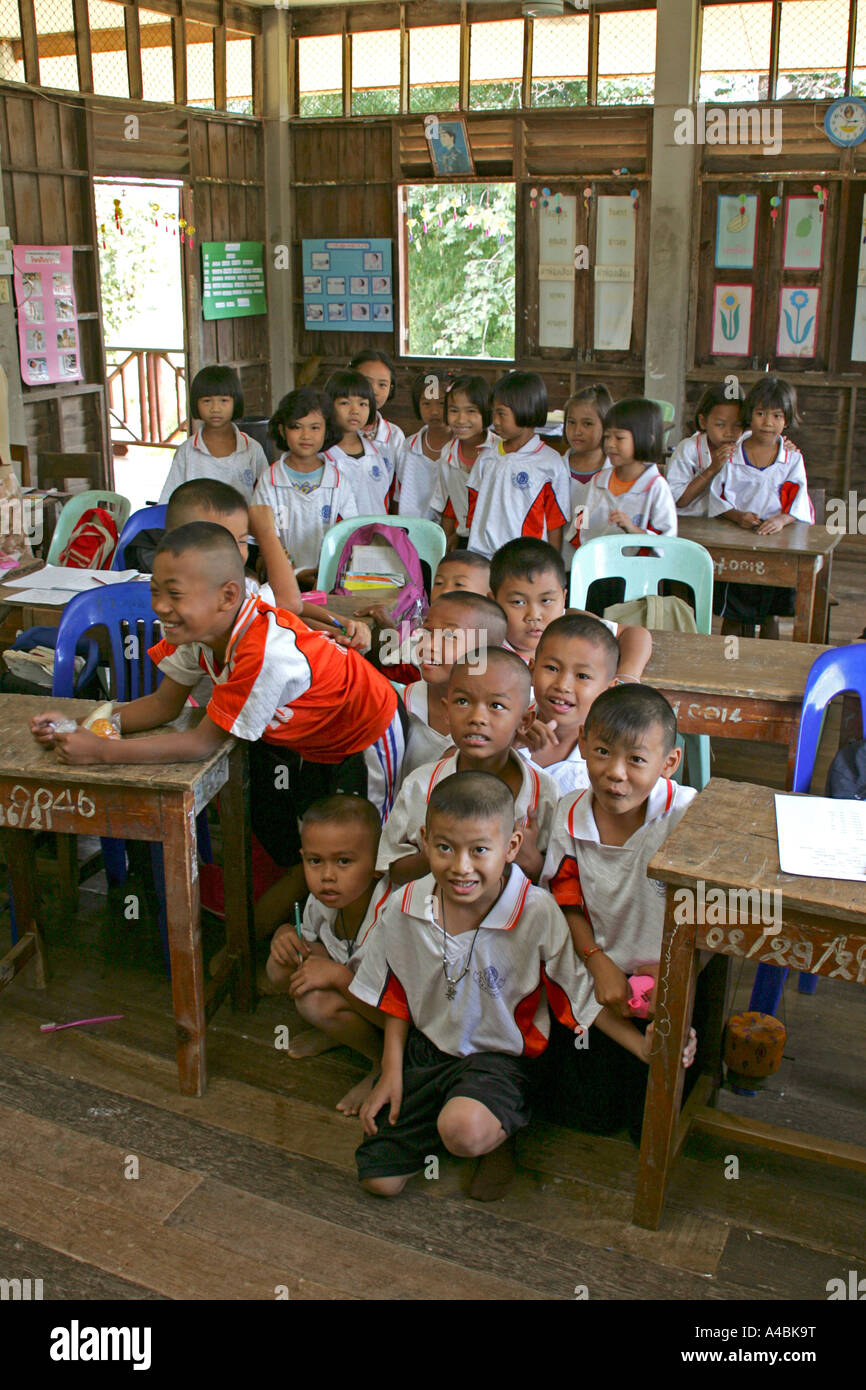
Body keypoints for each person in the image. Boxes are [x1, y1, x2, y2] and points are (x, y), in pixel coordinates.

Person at [30, 523, 406, 862]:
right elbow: (163, 705)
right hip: (316, 740)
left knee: (361, 850)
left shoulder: (263, 652)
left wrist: (100, 751)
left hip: (369, 732)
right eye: (155, 591)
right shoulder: (198, 630)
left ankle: (352, 936)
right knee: (317, 843)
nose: (161, 607)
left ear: (228, 596)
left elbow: (200, 743)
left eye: (174, 595)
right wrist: (73, 725)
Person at [351, 771, 589, 1200]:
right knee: (379, 1182)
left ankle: (497, 1131)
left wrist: (644, 1042)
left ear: (512, 846)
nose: (461, 867)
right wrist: (390, 1070)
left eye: (480, 850)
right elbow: (396, 992)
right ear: (424, 841)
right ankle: (449, 1116)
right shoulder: (404, 906)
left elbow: (577, 996)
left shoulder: (536, 911)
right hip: (428, 1050)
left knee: (462, 1131)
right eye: (444, 848)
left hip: (499, 1059)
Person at [540, 685, 698, 1142]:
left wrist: (670, 972)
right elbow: (564, 896)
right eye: (603, 752)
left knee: (647, 1123)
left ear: (669, 762)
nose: (614, 773)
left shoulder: (684, 815)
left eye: (636, 760)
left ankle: (674, 1040)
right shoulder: (570, 814)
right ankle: (637, 1046)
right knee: (587, 1115)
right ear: (584, 744)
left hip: (666, 975)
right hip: (597, 978)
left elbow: (710, 909)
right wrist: (597, 959)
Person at [377, 648, 558, 886]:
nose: (477, 717)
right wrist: (440, 850)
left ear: (524, 721)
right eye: (463, 702)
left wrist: (531, 859)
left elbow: (558, 882)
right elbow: (392, 871)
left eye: (496, 705)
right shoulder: (420, 785)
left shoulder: (542, 792)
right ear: (446, 712)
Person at [265, 795, 391, 1115]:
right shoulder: (322, 900)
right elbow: (302, 946)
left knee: (314, 999)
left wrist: (338, 977)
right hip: (356, 991)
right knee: (281, 965)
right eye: (315, 861)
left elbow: (397, 1017)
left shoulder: (392, 919)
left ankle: (383, 1066)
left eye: (344, 861)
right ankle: (338, 1034)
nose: (327, 876)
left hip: (396, 1023)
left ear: (377, 864)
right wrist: (283, 936)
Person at [166, 477, 370, 651]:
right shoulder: (204, 597)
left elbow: (285, 610)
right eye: (220, 540)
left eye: (242, 541)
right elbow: (288, 603)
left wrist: (341, 626)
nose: (234, 552)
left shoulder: (244, 586)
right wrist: (266, 533)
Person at [708, 376, 813, 639]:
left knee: (770, 615)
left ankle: (766, 668)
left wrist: (781, 520)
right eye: (760, 413)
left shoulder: (791, 459)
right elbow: (718, 497)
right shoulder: (732, 454)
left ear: (786, 420)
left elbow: (797, 502)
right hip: (739, 547)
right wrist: (737, 516)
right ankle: (728, 667)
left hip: (777, 548)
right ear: (749, 415)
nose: (768, 422)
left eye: (777, 415)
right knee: (733, 613)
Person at [251, 386, 383, 586]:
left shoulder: (339, 482)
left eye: (315, 427)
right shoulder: (269, 480)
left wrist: (326, 574)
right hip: (280, 582)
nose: (306, 435)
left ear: (327, 430)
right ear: (282, 430)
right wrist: (292, 574)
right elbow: (264, 536)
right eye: (296, 426)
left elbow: (350, 535)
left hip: (329, 581)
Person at [488, 537, 652, 679]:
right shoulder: (484, 642)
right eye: (518, 602)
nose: (534, 615)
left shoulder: (573, 625)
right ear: (493, 602)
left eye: (546, 600)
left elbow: (636, 634)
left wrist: (626, 677)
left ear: (563, 598)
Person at [397, 590, 508, 777]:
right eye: (428, 631)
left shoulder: (503, 717)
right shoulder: (401, 703)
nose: (429, 645)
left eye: (449, 636)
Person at [466, 371, 570, 559]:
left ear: (526, 409)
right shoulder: (486, 458)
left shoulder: (550, 463)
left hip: (527, 560)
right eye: (494, 413)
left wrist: (552, 564)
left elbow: (555, 521)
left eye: (502, 414)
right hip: (484, 557)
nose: (495, 421)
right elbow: (473, 509)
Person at [518, 613, 619, 794]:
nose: (563, 685)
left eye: (582, 676)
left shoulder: (614, 755)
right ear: (531, 671)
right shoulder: (504, 720)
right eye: (552, 668)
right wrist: (504, 747)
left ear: (609, 690)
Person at [573, 398, 677, 547]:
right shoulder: (599, 480)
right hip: (597, 565)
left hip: (637, 568)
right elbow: (582, 524)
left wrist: (633, 529)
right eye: (607, 436)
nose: (609, 444)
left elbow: (667, 543)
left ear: (648, 440)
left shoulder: (656, 487)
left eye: (619, 437)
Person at [158, 365, 267, 505]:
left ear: (236, 402)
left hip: (242, 526)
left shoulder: (252, 449)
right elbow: (167, 501)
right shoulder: (186, 452)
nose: (215, 409)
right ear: (195, 404)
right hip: (198, 526)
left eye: (223, 400)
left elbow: (268, 496)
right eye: (207, 401)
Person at [429, 374, 495, 548]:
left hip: (495, 539)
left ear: (486, 412)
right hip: (465, 539)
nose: (460, 419)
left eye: (471, 411)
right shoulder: (448, 453)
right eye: (454, 410)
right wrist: (448, 537)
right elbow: (448, 501)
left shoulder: (500, 451)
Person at [666, 382, 744, 517]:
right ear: (703, 421)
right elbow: (679, 500)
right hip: (689, 520)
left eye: (737, 425)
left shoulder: (745, 446)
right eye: (720, 425)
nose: (729, 433)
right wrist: (712, 469)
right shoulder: (688, 449)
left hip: (729, 521)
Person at [322, 369, 393, 512]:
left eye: (362, 404)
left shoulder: (377, 453)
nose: (355, 410)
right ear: (328, 405)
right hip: (341, 533)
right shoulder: (322, 456)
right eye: (345, 403)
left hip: (376, 531)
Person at [560, 384, 614, 563]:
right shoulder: (555, 468)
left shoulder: (615, 472)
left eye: (587, 424)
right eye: (571, 422)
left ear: (606, 426)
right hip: (563, 561)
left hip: (604, 563)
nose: (577, 431)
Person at [397, 370, 453, 518]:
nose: (434, 411)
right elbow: (398, 496)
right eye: (426, 403)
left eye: (441, 403)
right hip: (412, 531)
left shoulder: (461, 447)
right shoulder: (408, 447)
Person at [349, 350, 406, 481]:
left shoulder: (394, 435)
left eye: (382, 384)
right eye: (367, 382)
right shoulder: (335, 430)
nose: (374, 390)